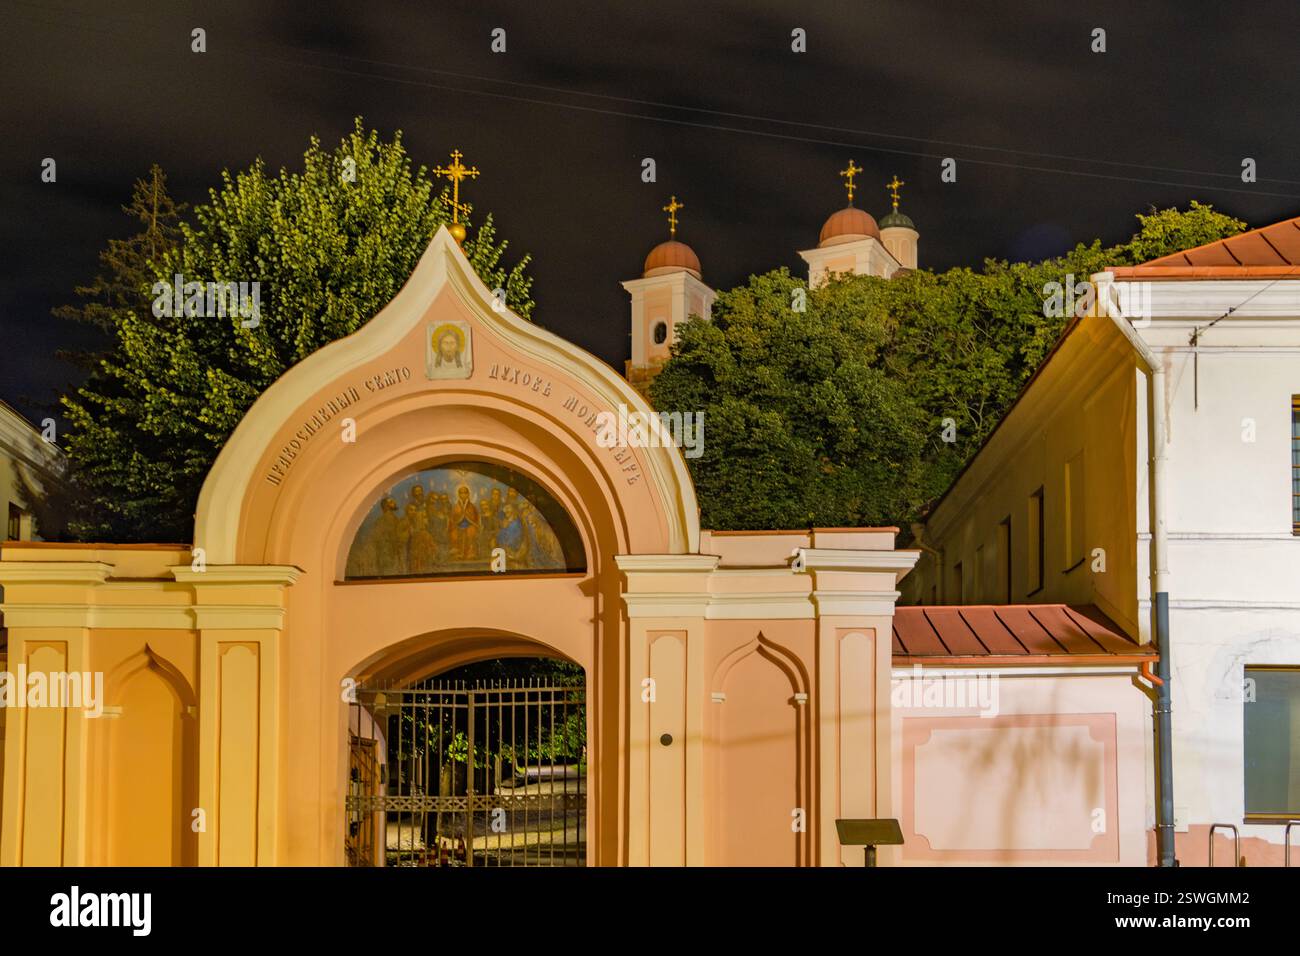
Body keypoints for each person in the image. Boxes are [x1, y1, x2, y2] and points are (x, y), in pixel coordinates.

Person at [448, 485, 480, 561]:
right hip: (458, 526)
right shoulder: (455, 507)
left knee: (471, 531)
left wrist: (474, 524)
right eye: (461, 493)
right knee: (454, 533)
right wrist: (455, 525)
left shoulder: (472, 507)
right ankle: (458, 553)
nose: (463, 495)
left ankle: (471, 553)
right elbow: (452, 519)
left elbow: (476, 518)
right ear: (459, 495)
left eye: (465, 493)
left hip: (470, 525)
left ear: (468, 494)